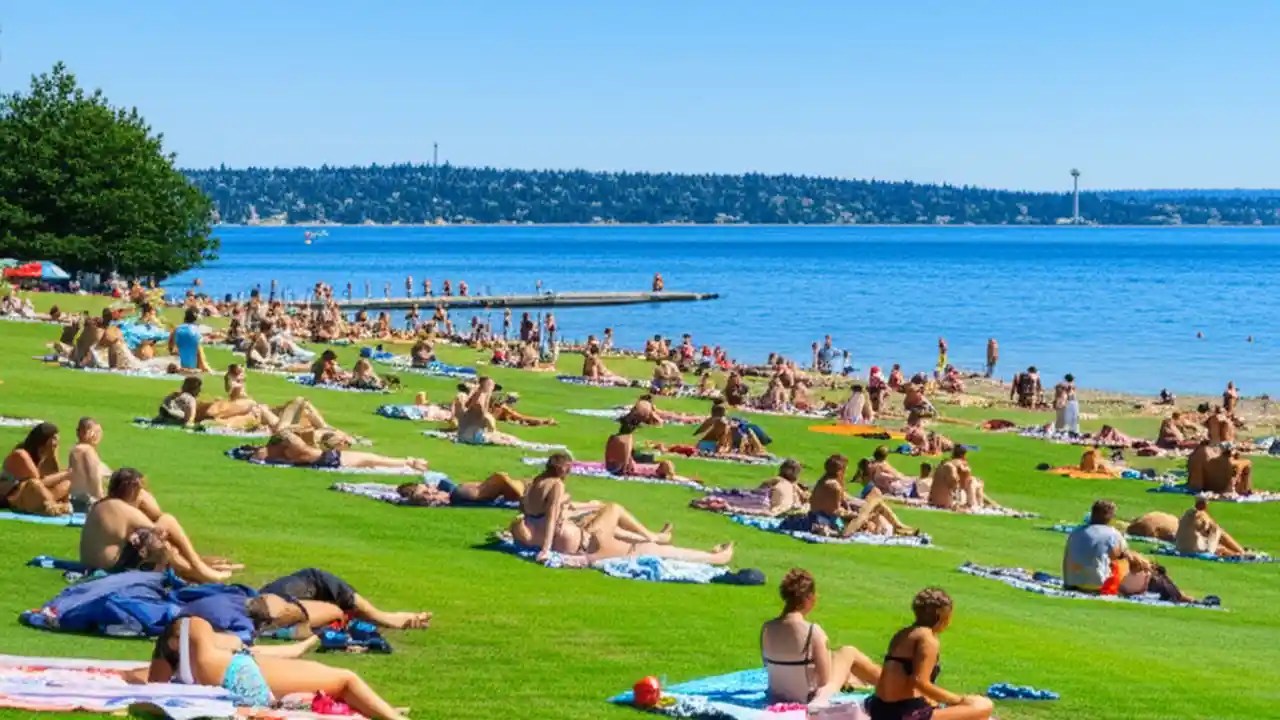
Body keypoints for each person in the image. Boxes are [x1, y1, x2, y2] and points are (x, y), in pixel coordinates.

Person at [141, 613, 408, 718]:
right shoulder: (197, 631)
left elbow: (155, 685)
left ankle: (379, 711)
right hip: (240, 676)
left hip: (238, 690)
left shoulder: (183, 655)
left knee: (334, 686)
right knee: (346, 678)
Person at [511, 454, 731, 564]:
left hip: (580, 538)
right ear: (564, 470)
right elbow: (552, 518)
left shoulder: (536, 485)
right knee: (638, 538)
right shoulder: (557, 485)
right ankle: (716, 558)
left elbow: (550, 513)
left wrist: (584, 505)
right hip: (586, 545)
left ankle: (657, 537)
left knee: (605, 518)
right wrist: (546, 549)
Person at [79, 468, 232, 583]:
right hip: (110, 568)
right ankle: (200, 570)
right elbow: (161, 529)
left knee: (158, 541)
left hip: (92, 564)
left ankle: (196, 567)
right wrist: (147, 504)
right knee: (168, 522)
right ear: (134, 492)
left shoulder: (104, 505)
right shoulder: (123, 509)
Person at [866, 588, 992, 720]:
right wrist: (958, 700)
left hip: (880, 709)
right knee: (983, 706)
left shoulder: (903, 633)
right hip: (903, 714)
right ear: (944, 615)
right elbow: (920, 682)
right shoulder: (928, 639)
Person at [760, 569, 881, 707]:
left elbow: (770, 666)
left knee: (837, 658)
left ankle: (859, 680)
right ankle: (889, 683)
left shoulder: (766, 629)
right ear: (809, 597)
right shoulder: (813, 632)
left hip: (776, 696)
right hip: (810, 699)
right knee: (848, 652)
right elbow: (825, 682)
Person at [259, 567, 432, 631]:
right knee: (329, 605)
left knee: (314, 578)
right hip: (256, 607)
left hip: (256, 601)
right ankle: (380, 618)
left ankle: (378, 617)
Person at [255, 428, 428, 472]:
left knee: (371, 459)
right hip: (328, 459)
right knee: (371, 459)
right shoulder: (296, 448)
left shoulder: (271, 454)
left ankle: (409, 462)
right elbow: (285, 433)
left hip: (325, 457)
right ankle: (409, 462)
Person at [1, 422, 72, 515]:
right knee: (34, 483)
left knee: (66, 483)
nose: (57, 443)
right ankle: (54, 506)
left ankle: (53, 505)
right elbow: (40, 482)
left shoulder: (44, 456)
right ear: (44, 439)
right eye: (54, 439)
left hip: (34, 495)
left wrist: (53, 456)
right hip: (11, 497)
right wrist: (67, 473)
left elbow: (53, 477)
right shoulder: (21, 454)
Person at [1063, 500, 1127, 594]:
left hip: (1071, 583)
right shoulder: (1113, 534)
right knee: (1123, 562)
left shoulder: (1076, 532)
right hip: (1098, 586)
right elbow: (1121, 555)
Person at [927, 447, 999, 512]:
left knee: (973, 482)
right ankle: (977, 504)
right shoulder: (958, 464)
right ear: (963, 455)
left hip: (935, 500)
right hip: (947, 502)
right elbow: (963, 480)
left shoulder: (945, 464)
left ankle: (987, 504)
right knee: (973, 482)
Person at [604, 417, 677, 478]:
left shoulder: (614, 438)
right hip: (621, 467)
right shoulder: (627, 438)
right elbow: (626, 457)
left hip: (614, 466)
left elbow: (609, 454)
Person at [1176, 498, 1246, 557]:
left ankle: (1237, 552)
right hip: (1195, 551)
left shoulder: (1187, 513)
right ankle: (1241, 553)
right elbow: (1210, 529)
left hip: (1180, 547)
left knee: (1217, 546)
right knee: (1217, 530)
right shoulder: (1202, 515)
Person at [169, 309, 213, 373]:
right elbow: (198, 349)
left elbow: (170, 345)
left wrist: (172, 352)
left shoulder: (177, 328)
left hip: (179, 365)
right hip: (193, 367)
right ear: (196, 319)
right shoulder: (197, 329)